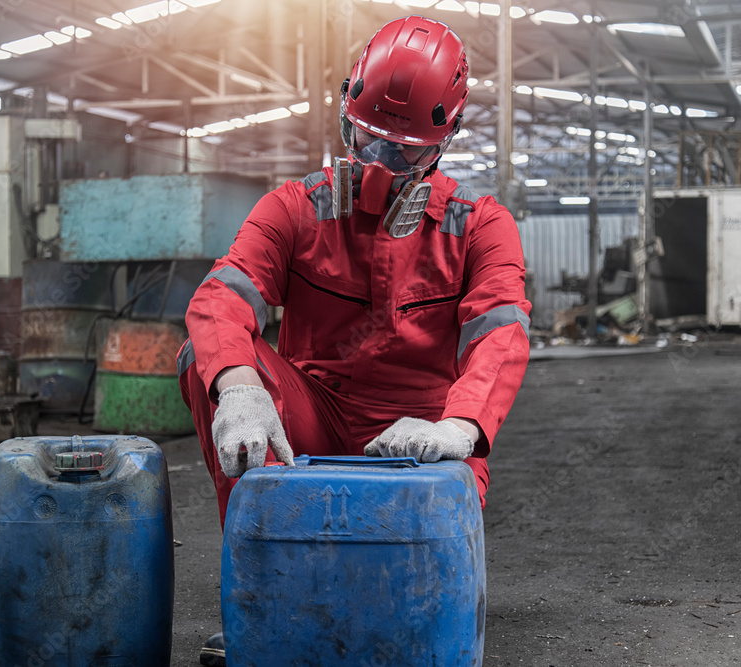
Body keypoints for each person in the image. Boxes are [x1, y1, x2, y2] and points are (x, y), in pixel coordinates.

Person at [176, 15, 531, 666]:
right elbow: (221, 298)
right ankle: (265, 592)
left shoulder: (480, 227)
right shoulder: (294, 209)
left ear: (444, 142)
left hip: (423, 439)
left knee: (403, 607)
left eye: (404, 153)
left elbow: (502, 333)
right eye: (367, 140)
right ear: (346, 117)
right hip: (312, 423)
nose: (378, 167)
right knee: (210, 359)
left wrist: (460, 426)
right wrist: (240, 387)